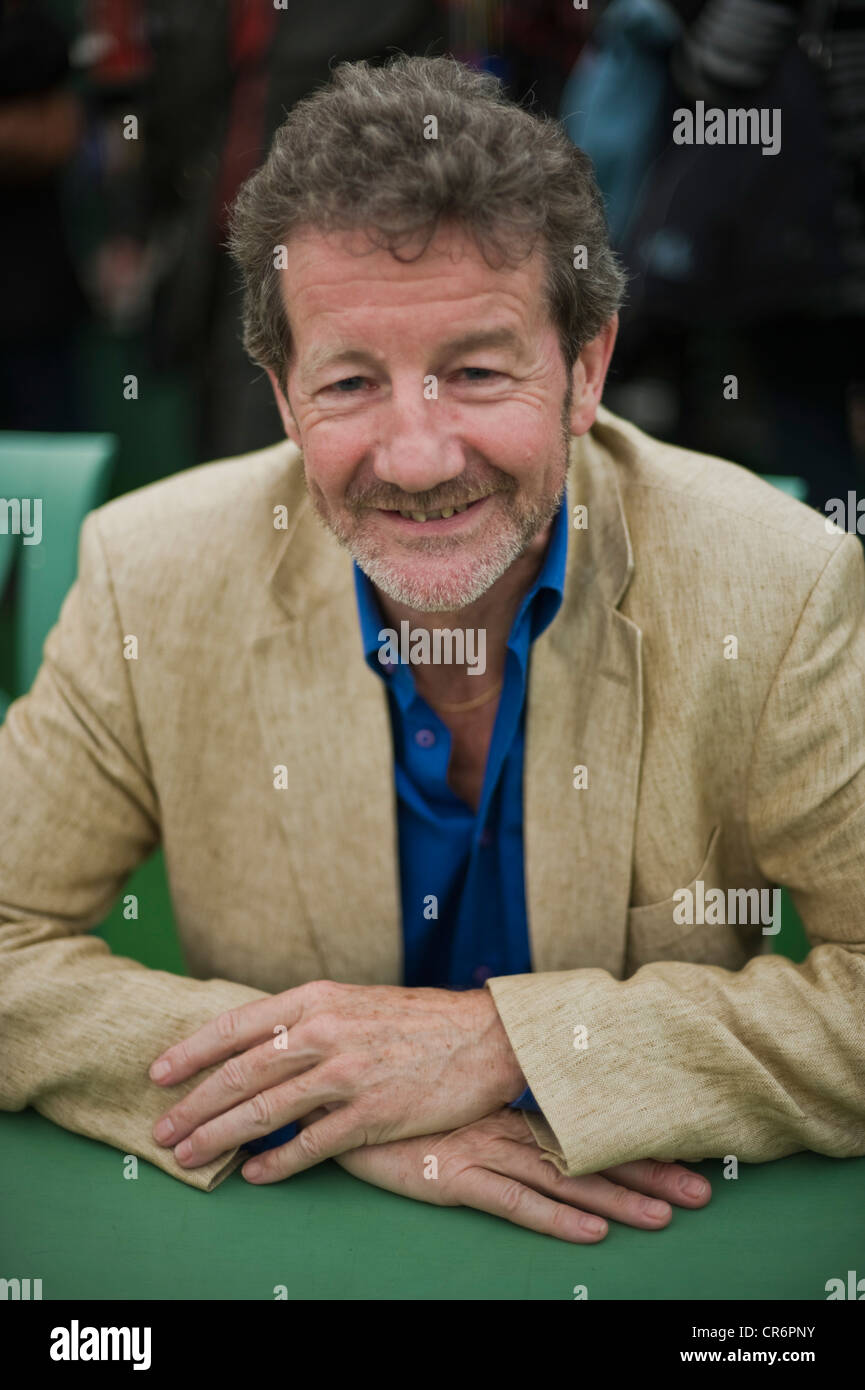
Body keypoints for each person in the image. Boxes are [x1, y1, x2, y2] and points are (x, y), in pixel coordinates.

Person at [2, 55, 864, 1247]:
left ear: (587, 368)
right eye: (351, 380)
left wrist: (507, 1041)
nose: (416, 456)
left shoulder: (776, 584)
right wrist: (331, 1096)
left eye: (474, 370)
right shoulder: (151, 572)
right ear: (285, 394)